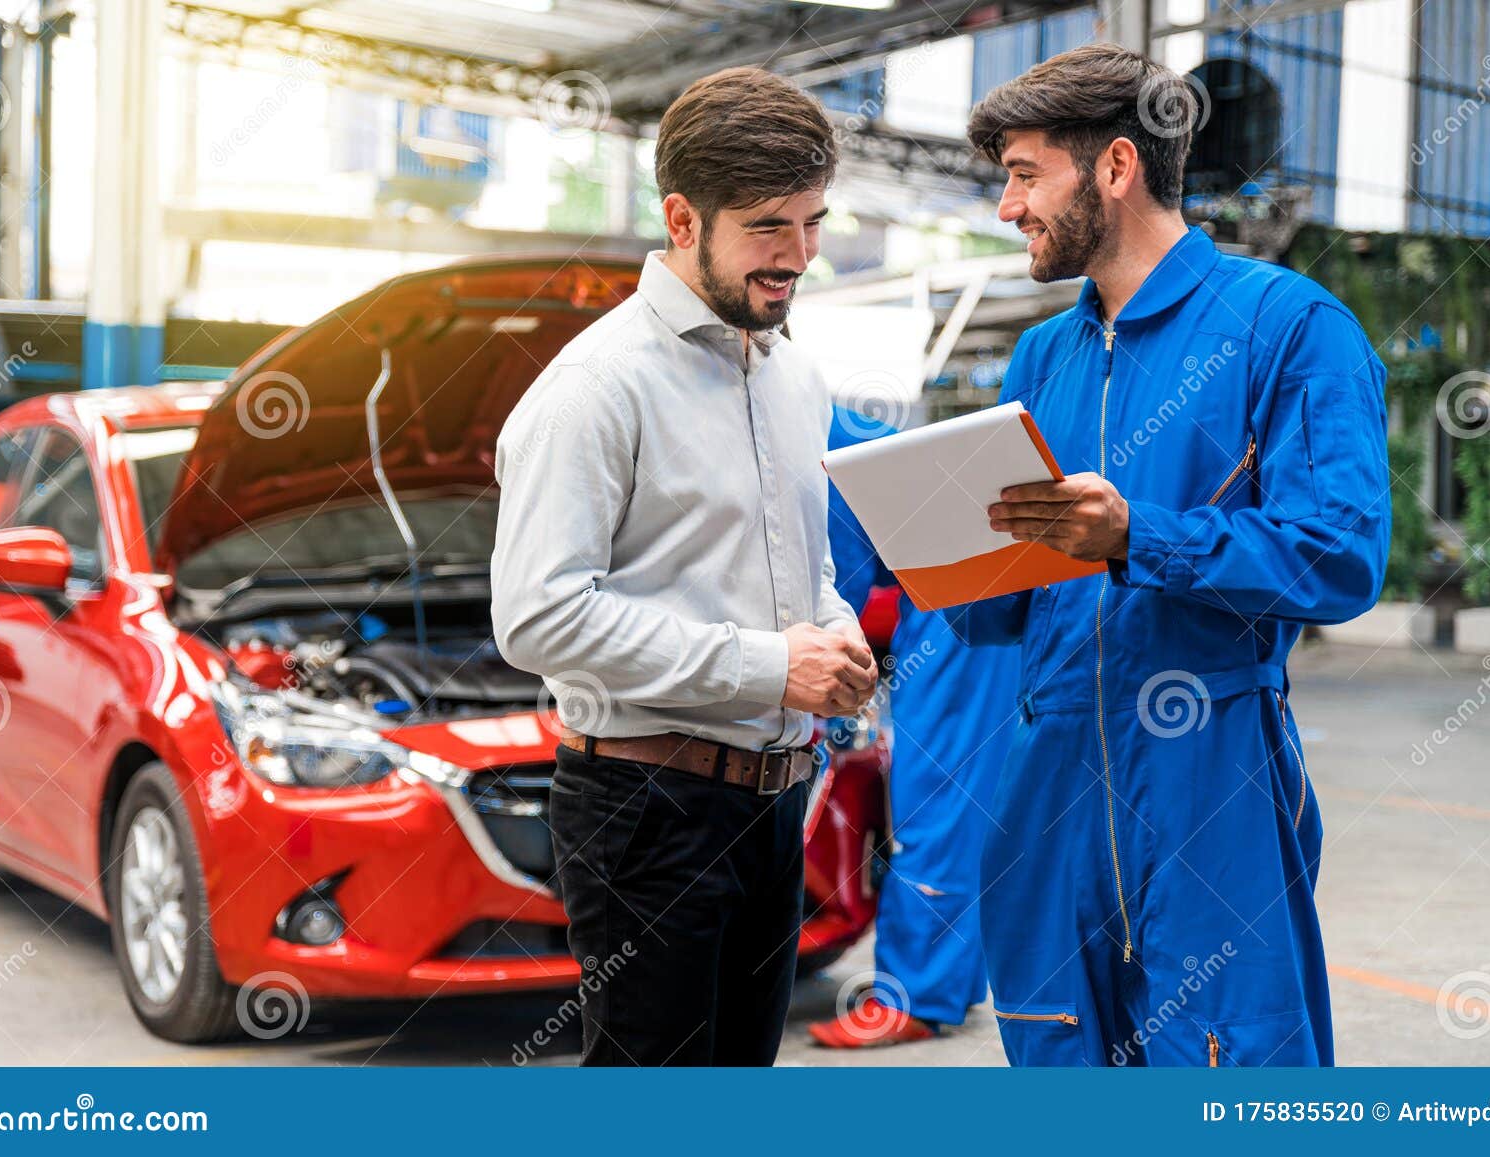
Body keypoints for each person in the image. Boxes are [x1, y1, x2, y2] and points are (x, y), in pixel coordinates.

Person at [951, 44, 1389, 1067]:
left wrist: (1135, 535)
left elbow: (1337, 555)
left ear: (1113, 166)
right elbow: (998, 608)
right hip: (1047, 772)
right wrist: (946, 558)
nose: (1007, 208)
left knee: (1235, 1067)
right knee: (1057, 1061)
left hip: (1209, 766)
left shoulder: (1285, 326)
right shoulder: (1041, 356)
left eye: (1022, 175)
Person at [490, 67, 878, 1067]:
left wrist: (834, 638)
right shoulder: (595, 387)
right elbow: (536, 616)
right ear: (680, 217)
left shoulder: (791, 373)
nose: (797, 255)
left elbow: (808, 571)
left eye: (811, 221)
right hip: (645, 812)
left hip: (773, 797)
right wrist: (764, 666)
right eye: (766, 227)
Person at [809, 408, 1021, 1048]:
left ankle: (917, 996)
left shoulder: (797, 427)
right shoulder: (805, 404)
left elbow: (828, 586)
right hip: (972, 577)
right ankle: (950, 981)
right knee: (969, 794)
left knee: (936, 793)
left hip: (961, 593)